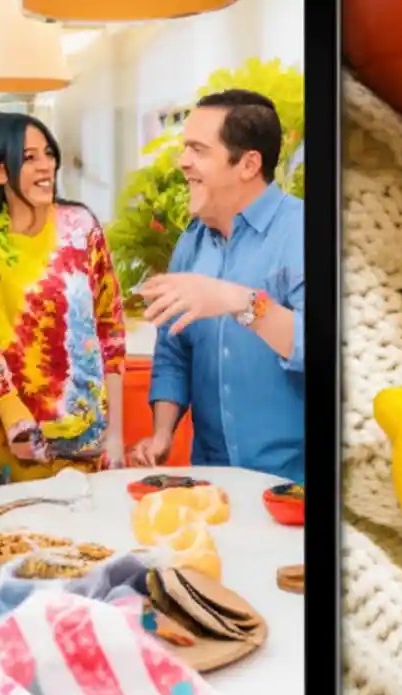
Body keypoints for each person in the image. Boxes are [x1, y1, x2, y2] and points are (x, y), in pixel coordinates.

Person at [130, 89, 305, 485]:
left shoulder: (303, 232)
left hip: (295, 487)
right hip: (211, 482)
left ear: (247, 164)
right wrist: (162, 432)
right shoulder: (190, 243)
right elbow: (173, 352)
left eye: (198, 150)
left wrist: (237, 300)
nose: (182, 162)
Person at [0, 111, 127, 483]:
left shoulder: (81, 228)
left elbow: (110, 332)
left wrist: (116, 435)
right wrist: (14, 420)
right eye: (29, 157)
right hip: (9, 439)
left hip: (85, 439)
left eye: (48, 153)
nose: (46, 165)